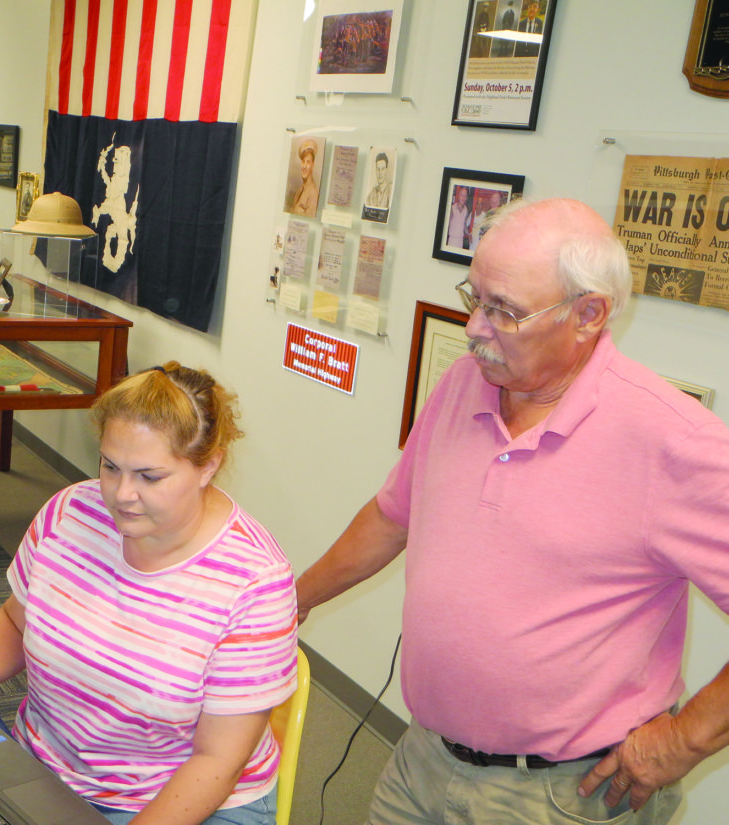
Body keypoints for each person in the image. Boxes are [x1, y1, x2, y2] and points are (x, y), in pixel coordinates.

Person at [295, 197, 729, 825]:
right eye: (476, 297)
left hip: (561, 795)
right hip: (422, 757)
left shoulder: (674, 441)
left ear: (588, 314)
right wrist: (295, 598)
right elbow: (394, 516)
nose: (474, 326)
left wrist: (682, 742)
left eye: (505, 311)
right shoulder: (467, 383)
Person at [0, 362, 298, 825]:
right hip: (49, 772)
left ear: (207, 467)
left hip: (182, 801)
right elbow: (17, 621)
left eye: (150, 477)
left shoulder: (254, 582)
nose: (121, 495)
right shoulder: (71, 512)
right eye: (110, 466)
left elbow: (217, 762)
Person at [288, 139, 319, 217]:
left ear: (313, 164)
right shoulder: (300, 189)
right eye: (303, 161)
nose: (304, 166)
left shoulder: (313, 193)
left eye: (308, 162)